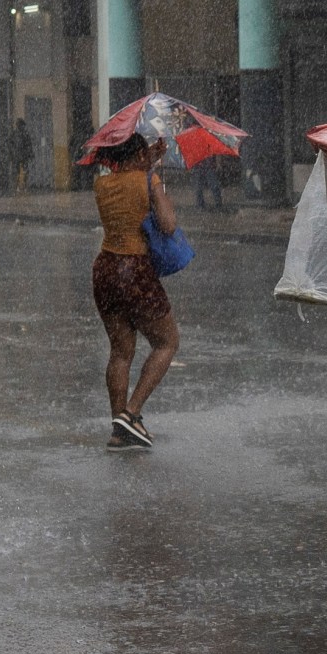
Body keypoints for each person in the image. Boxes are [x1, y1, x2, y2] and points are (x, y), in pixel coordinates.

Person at [91, 133, 180, 451]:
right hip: (134, 270)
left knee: (120, 352)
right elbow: (168, 224)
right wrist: (156, 182)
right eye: (146, 153)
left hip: (105, 269)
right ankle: (131, 412)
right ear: (141, 154)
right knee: (167, 342)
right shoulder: (147, 179)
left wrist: (146, 163)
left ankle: (120, 430)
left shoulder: (102, 183)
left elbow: (129, 183)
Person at [9, 118, 33, 193]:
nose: (19, 126)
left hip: (20, 155)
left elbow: (29, 145)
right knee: (20, 172)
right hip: (20, 155)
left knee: (20, 172)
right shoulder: (18, 134)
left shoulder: (18, 133)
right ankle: (19, 187)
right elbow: (29, 145)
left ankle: (19, 187)